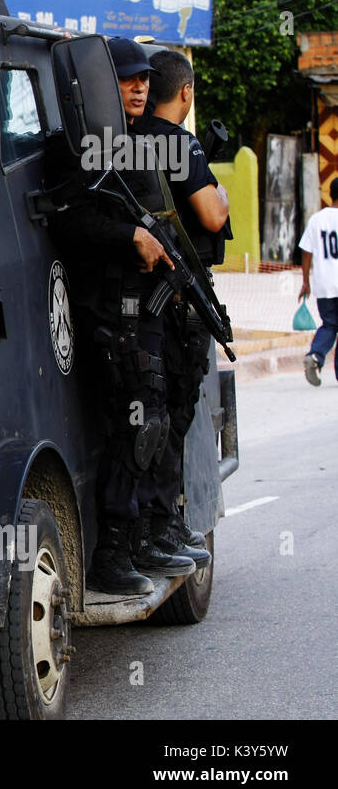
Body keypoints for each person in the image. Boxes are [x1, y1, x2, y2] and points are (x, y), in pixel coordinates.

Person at [49, 38, 193, 596]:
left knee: (151, 420)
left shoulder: (135, 146)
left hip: (147, 309)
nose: (139, 89)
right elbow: (66, 221)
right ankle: (112, 552)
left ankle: (144, 536)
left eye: (143, 82)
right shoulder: (79, 147)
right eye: (127, 81)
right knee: (134, 424)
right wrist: (127, 235)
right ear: (104, 86)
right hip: (110, 311)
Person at [131, 49, 227, 567]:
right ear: (186, 92)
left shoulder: (128, 138)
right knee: (175, 411)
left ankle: (153, 526)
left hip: (143, 300)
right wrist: (222, 193)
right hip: (179, 294)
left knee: (152, 413)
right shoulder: (178, 143)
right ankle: (162, 525)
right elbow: (211, 217)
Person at [299, 178, 338, 385]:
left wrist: (305, 282)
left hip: (323, 284)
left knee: (330, 324)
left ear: (330, 194)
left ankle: (316, 355)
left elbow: (306, 253)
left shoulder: (317, 219)